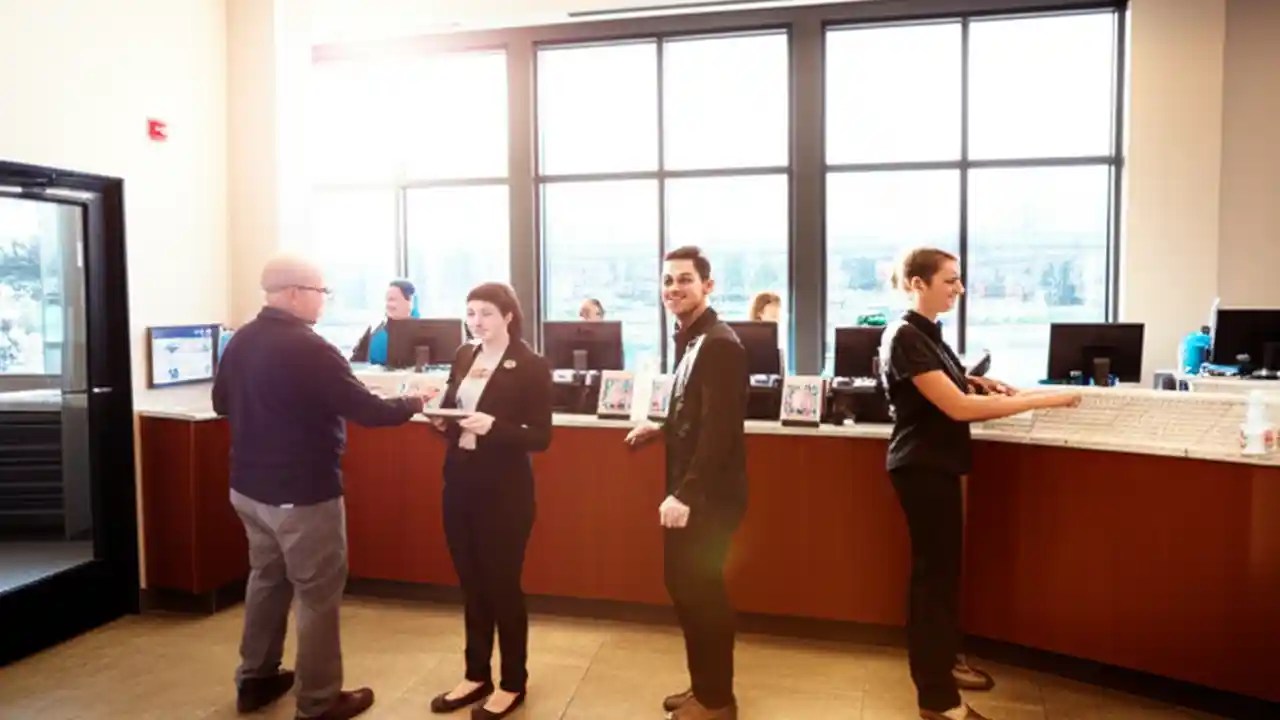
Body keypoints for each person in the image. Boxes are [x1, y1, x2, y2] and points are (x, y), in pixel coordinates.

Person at [212, 255, 430, 720]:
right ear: (294, 293)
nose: (324, 301)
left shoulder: (240, 341)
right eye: (321, 292)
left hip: (248, 488)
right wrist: (414, 402)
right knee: (316, 593)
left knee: (266, 580)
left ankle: (255, 678)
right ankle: (319, 700)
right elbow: (368, 411)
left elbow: (220, 401)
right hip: (302, 493)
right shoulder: (311, 348)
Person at [879, 247, 1081, 720]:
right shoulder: (906, 335)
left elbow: (950, 388)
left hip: (935, 465)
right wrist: (1043, 401)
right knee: (933, 582)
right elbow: (957, 409)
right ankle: (938, 700)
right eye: (949, 280)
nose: (959, 288)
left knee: (943, 578)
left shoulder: (926, 334)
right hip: (921, 468)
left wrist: (975, 382)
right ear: (917, 283)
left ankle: (942, 669)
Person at [625, 246, 748, 720]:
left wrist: (685, 494)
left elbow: (720, 433)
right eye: (668, 281)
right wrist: (662, 427)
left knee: (703, 594)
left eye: (684, 280)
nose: (673, 289)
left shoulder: (718, 343)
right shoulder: (694, 339)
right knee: (686, 589)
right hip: (695, 491)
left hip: (707, 497)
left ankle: (717, 701)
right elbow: (697, 415)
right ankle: (704, 687)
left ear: (707, 286)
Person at [427, 282, 552, 720]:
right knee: (471, 583)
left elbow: (541, 436)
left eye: (486, 314)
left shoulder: (531, 365)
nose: (476, 322)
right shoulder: (465, 356)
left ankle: (512, 681)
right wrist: (439, 418)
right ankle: (475, 672)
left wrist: (493, 426)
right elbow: (452, 405)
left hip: (505, 492)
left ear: (508, 317)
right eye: (471, 313)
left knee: (502, 586)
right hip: (459, 482)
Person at [350, 279, 419, 365]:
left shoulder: (424, 331)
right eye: (387, 300)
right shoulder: (374, 332)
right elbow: (354, 364)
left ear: (409, 302)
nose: (388, 305)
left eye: (392, 300)